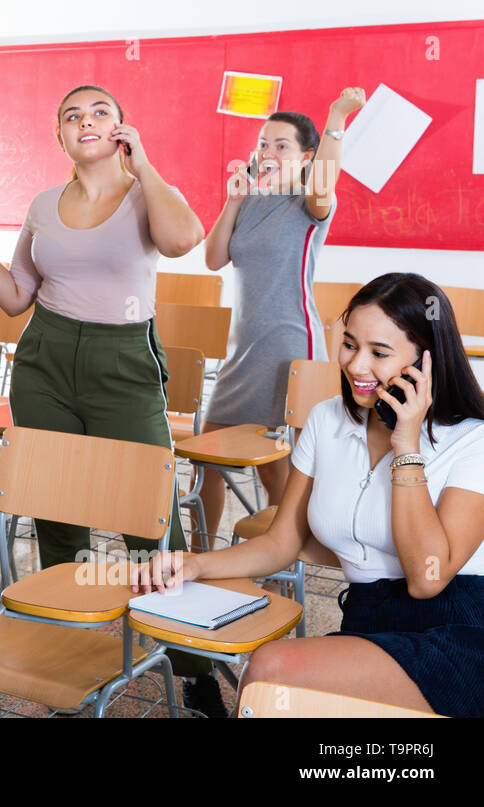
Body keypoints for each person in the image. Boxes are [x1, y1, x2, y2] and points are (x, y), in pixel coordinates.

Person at [0, 84, 219, 711]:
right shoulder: (42, 203)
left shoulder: (145, 192)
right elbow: (13, 298)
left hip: (124, 361)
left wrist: (143, 164)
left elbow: (183, 240)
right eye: (71, 116)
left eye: (99, 113)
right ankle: (63, 644)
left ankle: (192, 665)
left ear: (121, 127)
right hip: (45, 361)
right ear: (59, 135)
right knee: (56, 512)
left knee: (151, 517)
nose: (84, 122)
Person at [134, 274, 484, 718]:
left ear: (425, 362)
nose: (357, 366)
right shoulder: (326, 421)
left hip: (457, 630)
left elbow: (426, 580)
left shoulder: (472, 441)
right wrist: (195, 565)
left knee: (269, 672)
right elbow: (283, 542)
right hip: (367, 622)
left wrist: (406, 447)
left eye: (379, 353)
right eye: (350, 344)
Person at [198, 88, 367, 548]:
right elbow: (213, 259)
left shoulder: (311, 204)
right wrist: (233, 199)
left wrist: (336, 116)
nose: (267, 152)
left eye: (281, 145)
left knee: (279, 472)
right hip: (242, 356)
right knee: (206, 459)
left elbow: (325, 180)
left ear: (306, 156)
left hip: (291, 347)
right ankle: (199, 559)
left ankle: (278, 561)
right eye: (263, 144)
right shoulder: (250, 202)